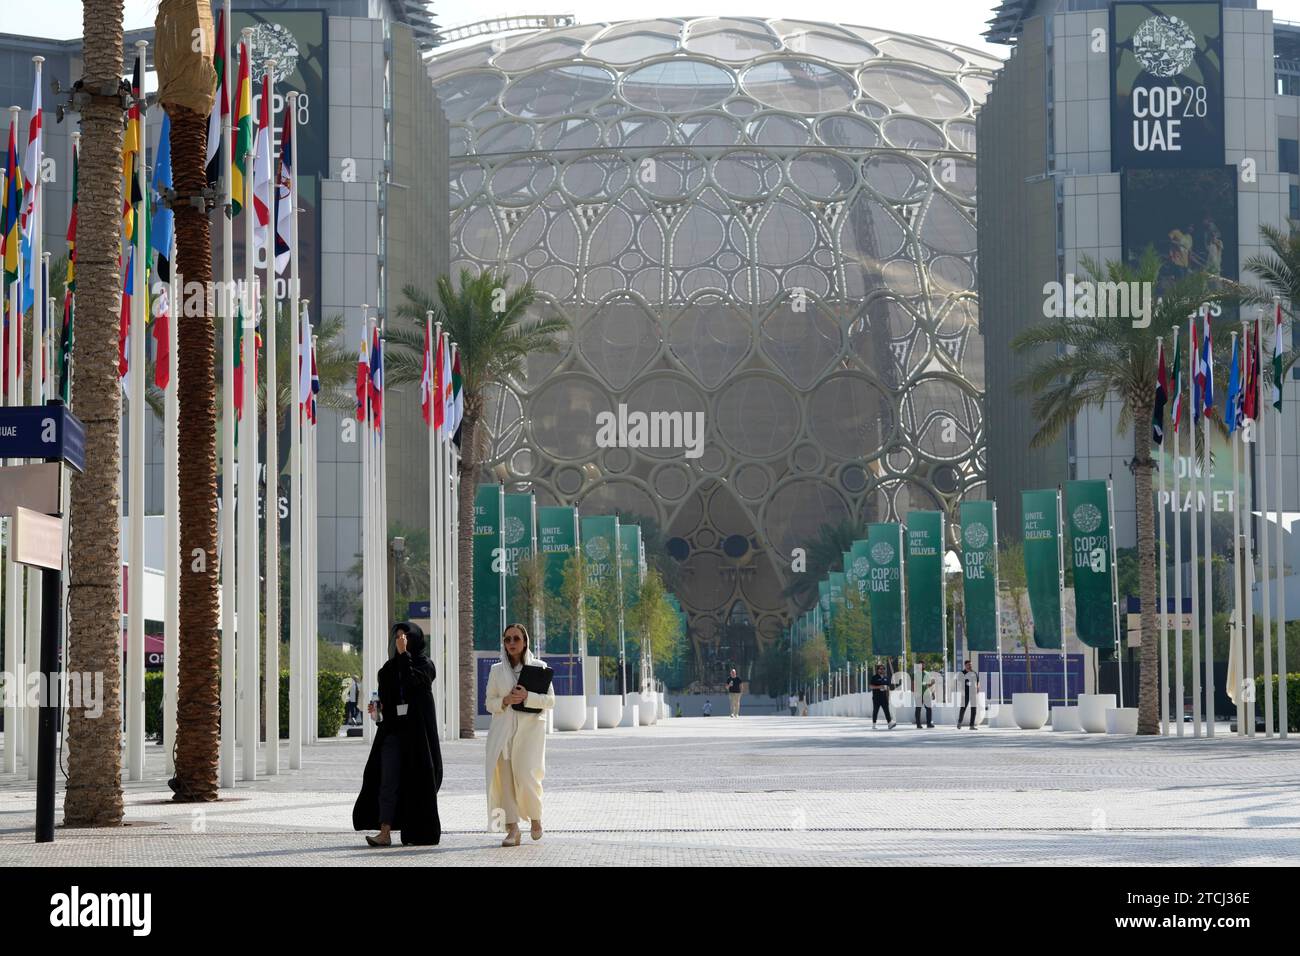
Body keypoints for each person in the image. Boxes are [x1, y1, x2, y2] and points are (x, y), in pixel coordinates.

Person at [353, 622, 443, 846]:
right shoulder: (387, 670)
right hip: (393, 732)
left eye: (406, 637)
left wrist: (404, 655)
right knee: (387, 780)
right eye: (398, 637)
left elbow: (413, 682)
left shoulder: (425, 665)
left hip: (418, 735)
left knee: (417, 781)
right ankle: (385, 832)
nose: (401, 641)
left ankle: (416, 833)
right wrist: (378, 712)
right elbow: (387, 701)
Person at [485, 622, 555, 847]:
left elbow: (550, 701)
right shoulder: (496, 671)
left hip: (529, 733)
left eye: (516, 638)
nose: (512, 643)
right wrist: (505, 700)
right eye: (507, 639)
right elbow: (489, 702)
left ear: (525, 641)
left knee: (527, 776)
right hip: (502, 734)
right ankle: (512, 830)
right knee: (504, 782)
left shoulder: (539, 667)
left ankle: (535, 818)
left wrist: (528, 696)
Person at [869, 664, 896, 729]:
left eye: (883, 669)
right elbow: (871, 686)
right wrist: (879, 687)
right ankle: (874, 724)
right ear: (878, 670)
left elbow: (888, 688)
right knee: (875, 711)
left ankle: (889, 724)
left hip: (884, 697)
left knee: (887, 711)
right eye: (880, 669)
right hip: (876, 697)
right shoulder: (874, 677)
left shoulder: (886, 678)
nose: (882, 670)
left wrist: (888, 697)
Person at [957, 660, 979, 730]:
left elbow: (978, 682)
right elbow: (959, 683)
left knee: (974, 709)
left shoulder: (974, 673)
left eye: (971, 664)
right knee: (963, 708)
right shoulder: (962, 673)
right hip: (965, 693)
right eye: (969, 665)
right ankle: (959, 722)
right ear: (965, 665)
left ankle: (971, 725)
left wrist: (978, 688)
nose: (970, 666)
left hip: (973, 693)